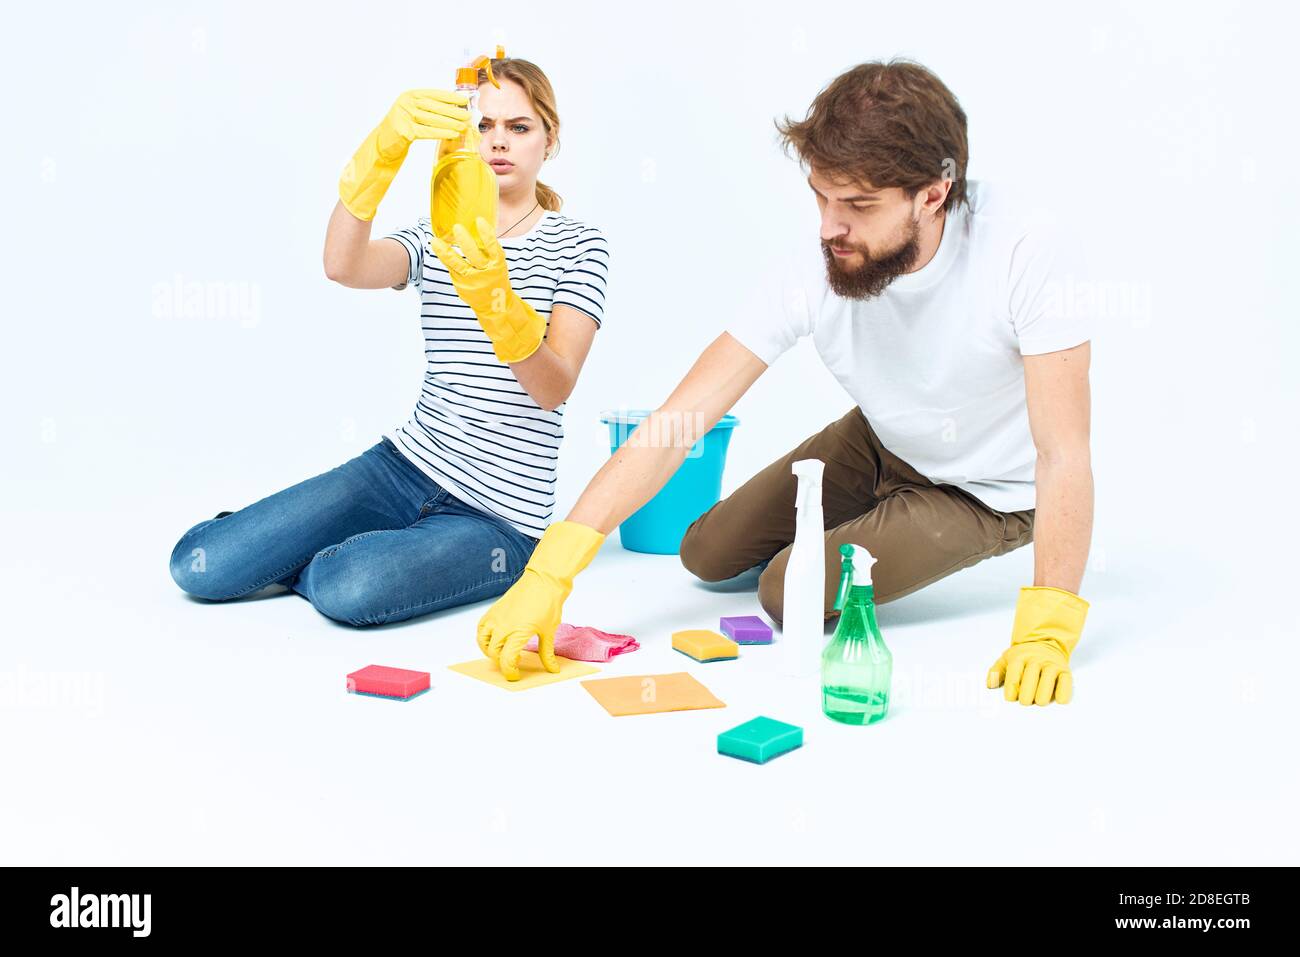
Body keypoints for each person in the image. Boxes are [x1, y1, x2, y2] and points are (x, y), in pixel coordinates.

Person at [476, 59, 1094, 706]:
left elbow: (1064, 453)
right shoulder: (818, 263)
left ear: (933, 194)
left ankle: (885, 531)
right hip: (881, 440)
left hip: (988, 491)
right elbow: (678, 421)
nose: (829, 227)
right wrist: (551, 570)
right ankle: (861, 513)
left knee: (783, 590)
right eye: (820, 195)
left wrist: (1048, 628)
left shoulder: (1027, 248)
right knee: (704, 552)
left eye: (856, 205)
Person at [169, 56, 610, 626]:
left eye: (519, 127)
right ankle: (294, 543)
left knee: (346, 585)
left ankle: (327, 555)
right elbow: (342, 265)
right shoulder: (437, 235)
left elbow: (553, 388)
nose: (498, 142)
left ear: (549, 140)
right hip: (403, 466)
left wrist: (493, 298)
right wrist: (382, 152)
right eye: (483, 125)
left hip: (498, 518)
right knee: (197, 568)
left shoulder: (580, 245)